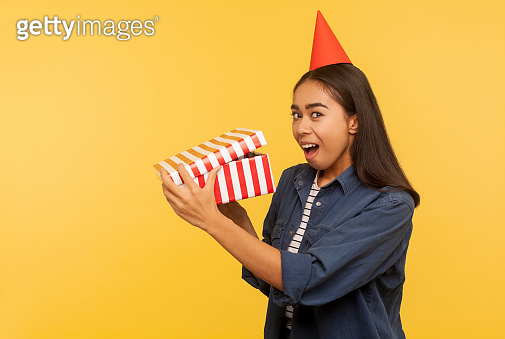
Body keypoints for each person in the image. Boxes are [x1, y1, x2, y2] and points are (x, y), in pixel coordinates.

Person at [160, 10, 419, 339]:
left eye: (316, 114)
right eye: (296, 114)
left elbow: (308, 279)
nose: (301, 127)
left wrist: (212, 221)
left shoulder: (390, 207)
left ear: (354, 121)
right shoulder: (293, 180)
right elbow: (273, 278)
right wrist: (232, 214)